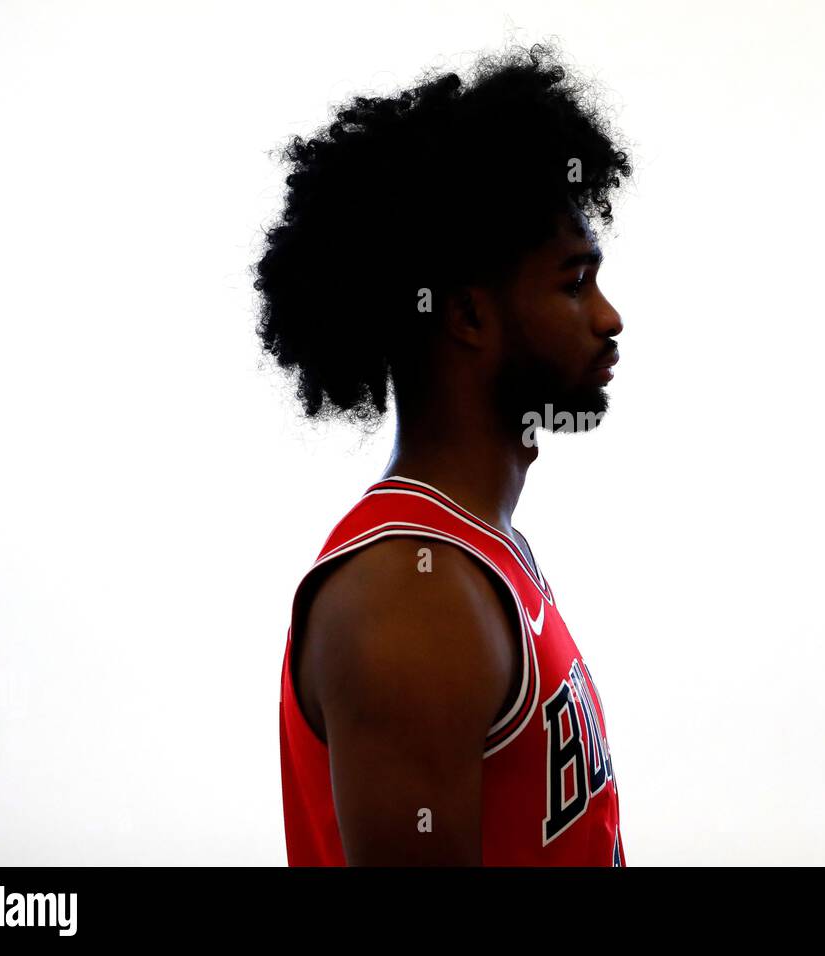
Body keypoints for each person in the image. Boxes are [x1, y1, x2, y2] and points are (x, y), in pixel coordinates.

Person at [253, 43, 632, 865]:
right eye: (574, 282)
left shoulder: (483, 559)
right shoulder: (411, 592)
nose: (609, 318)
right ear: (466, 315)